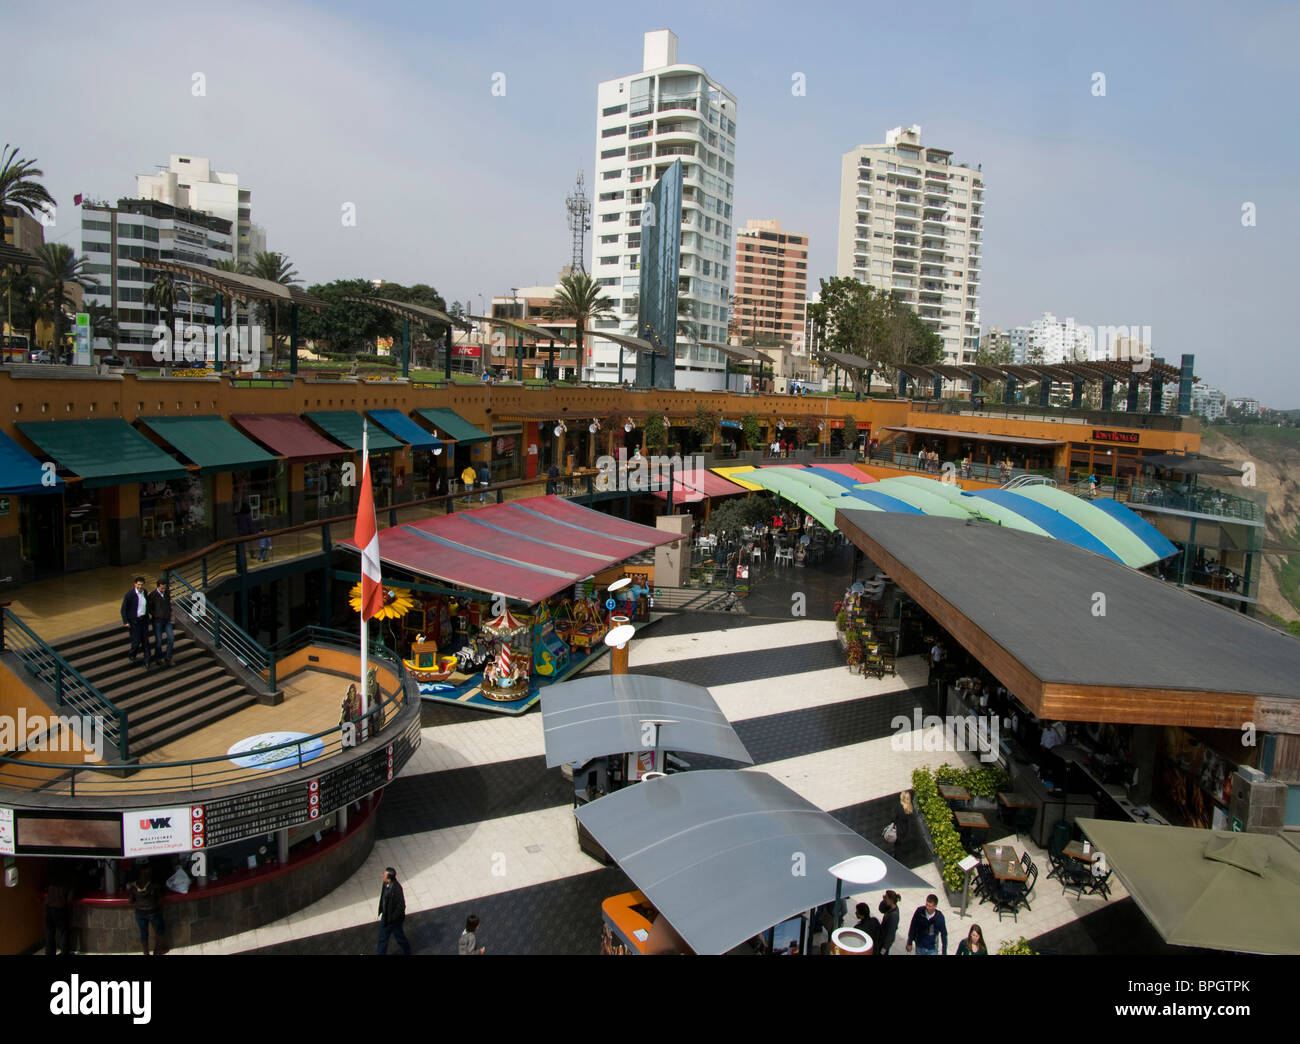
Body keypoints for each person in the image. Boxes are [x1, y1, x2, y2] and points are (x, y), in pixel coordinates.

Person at [129, 866, 165, 955]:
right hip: (153, 911)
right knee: (159, 930)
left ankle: (146, 953)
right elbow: (160, 898)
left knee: (144, 934)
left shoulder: (133, 887)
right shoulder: (154, 886)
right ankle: (157, 951)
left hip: (140, 913)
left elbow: (131, 901)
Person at [376, 866, 410, 954]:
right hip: (386, 917)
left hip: (394, 920)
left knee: (399, 937)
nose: (382, 876)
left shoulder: (397, 889)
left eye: (384, 875)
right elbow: (383, 897)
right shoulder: (385, 884)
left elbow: (401, 907)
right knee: (382, 939)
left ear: (389, 878)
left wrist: (392, 918)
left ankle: (407, 951)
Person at [120, 576, 152, 669]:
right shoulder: (129, 595)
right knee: (136, 640)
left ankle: (147, 661)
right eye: (138, 584)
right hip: (134, 622)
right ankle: (132, 654)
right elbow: (123, 609)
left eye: (142, 585)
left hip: (144, 620)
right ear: (135, 584)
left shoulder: (145, 592)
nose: (140, 586)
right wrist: (125, 621)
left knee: (145, 641)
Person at [43, 872, 74, 956]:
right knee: (64, 932)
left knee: (49, 932)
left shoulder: (53, 879)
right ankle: (65, 953)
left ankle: (49, 953)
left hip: (49, 908)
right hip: (60, 908)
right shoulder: (68, 881)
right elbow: (69, 899)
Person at [147, 579, 174, 667]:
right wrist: (156, 615)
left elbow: (168, 604)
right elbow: (149, 608)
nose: (163, 590)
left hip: (166, 620)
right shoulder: (152, 595)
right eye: (162, 588)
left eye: (164, 588)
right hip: (157, 621)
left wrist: (169, 613)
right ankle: (158, 658)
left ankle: (168, 657)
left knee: (171, 638)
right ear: (158, 586)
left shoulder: (167, 593)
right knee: (158, 641)